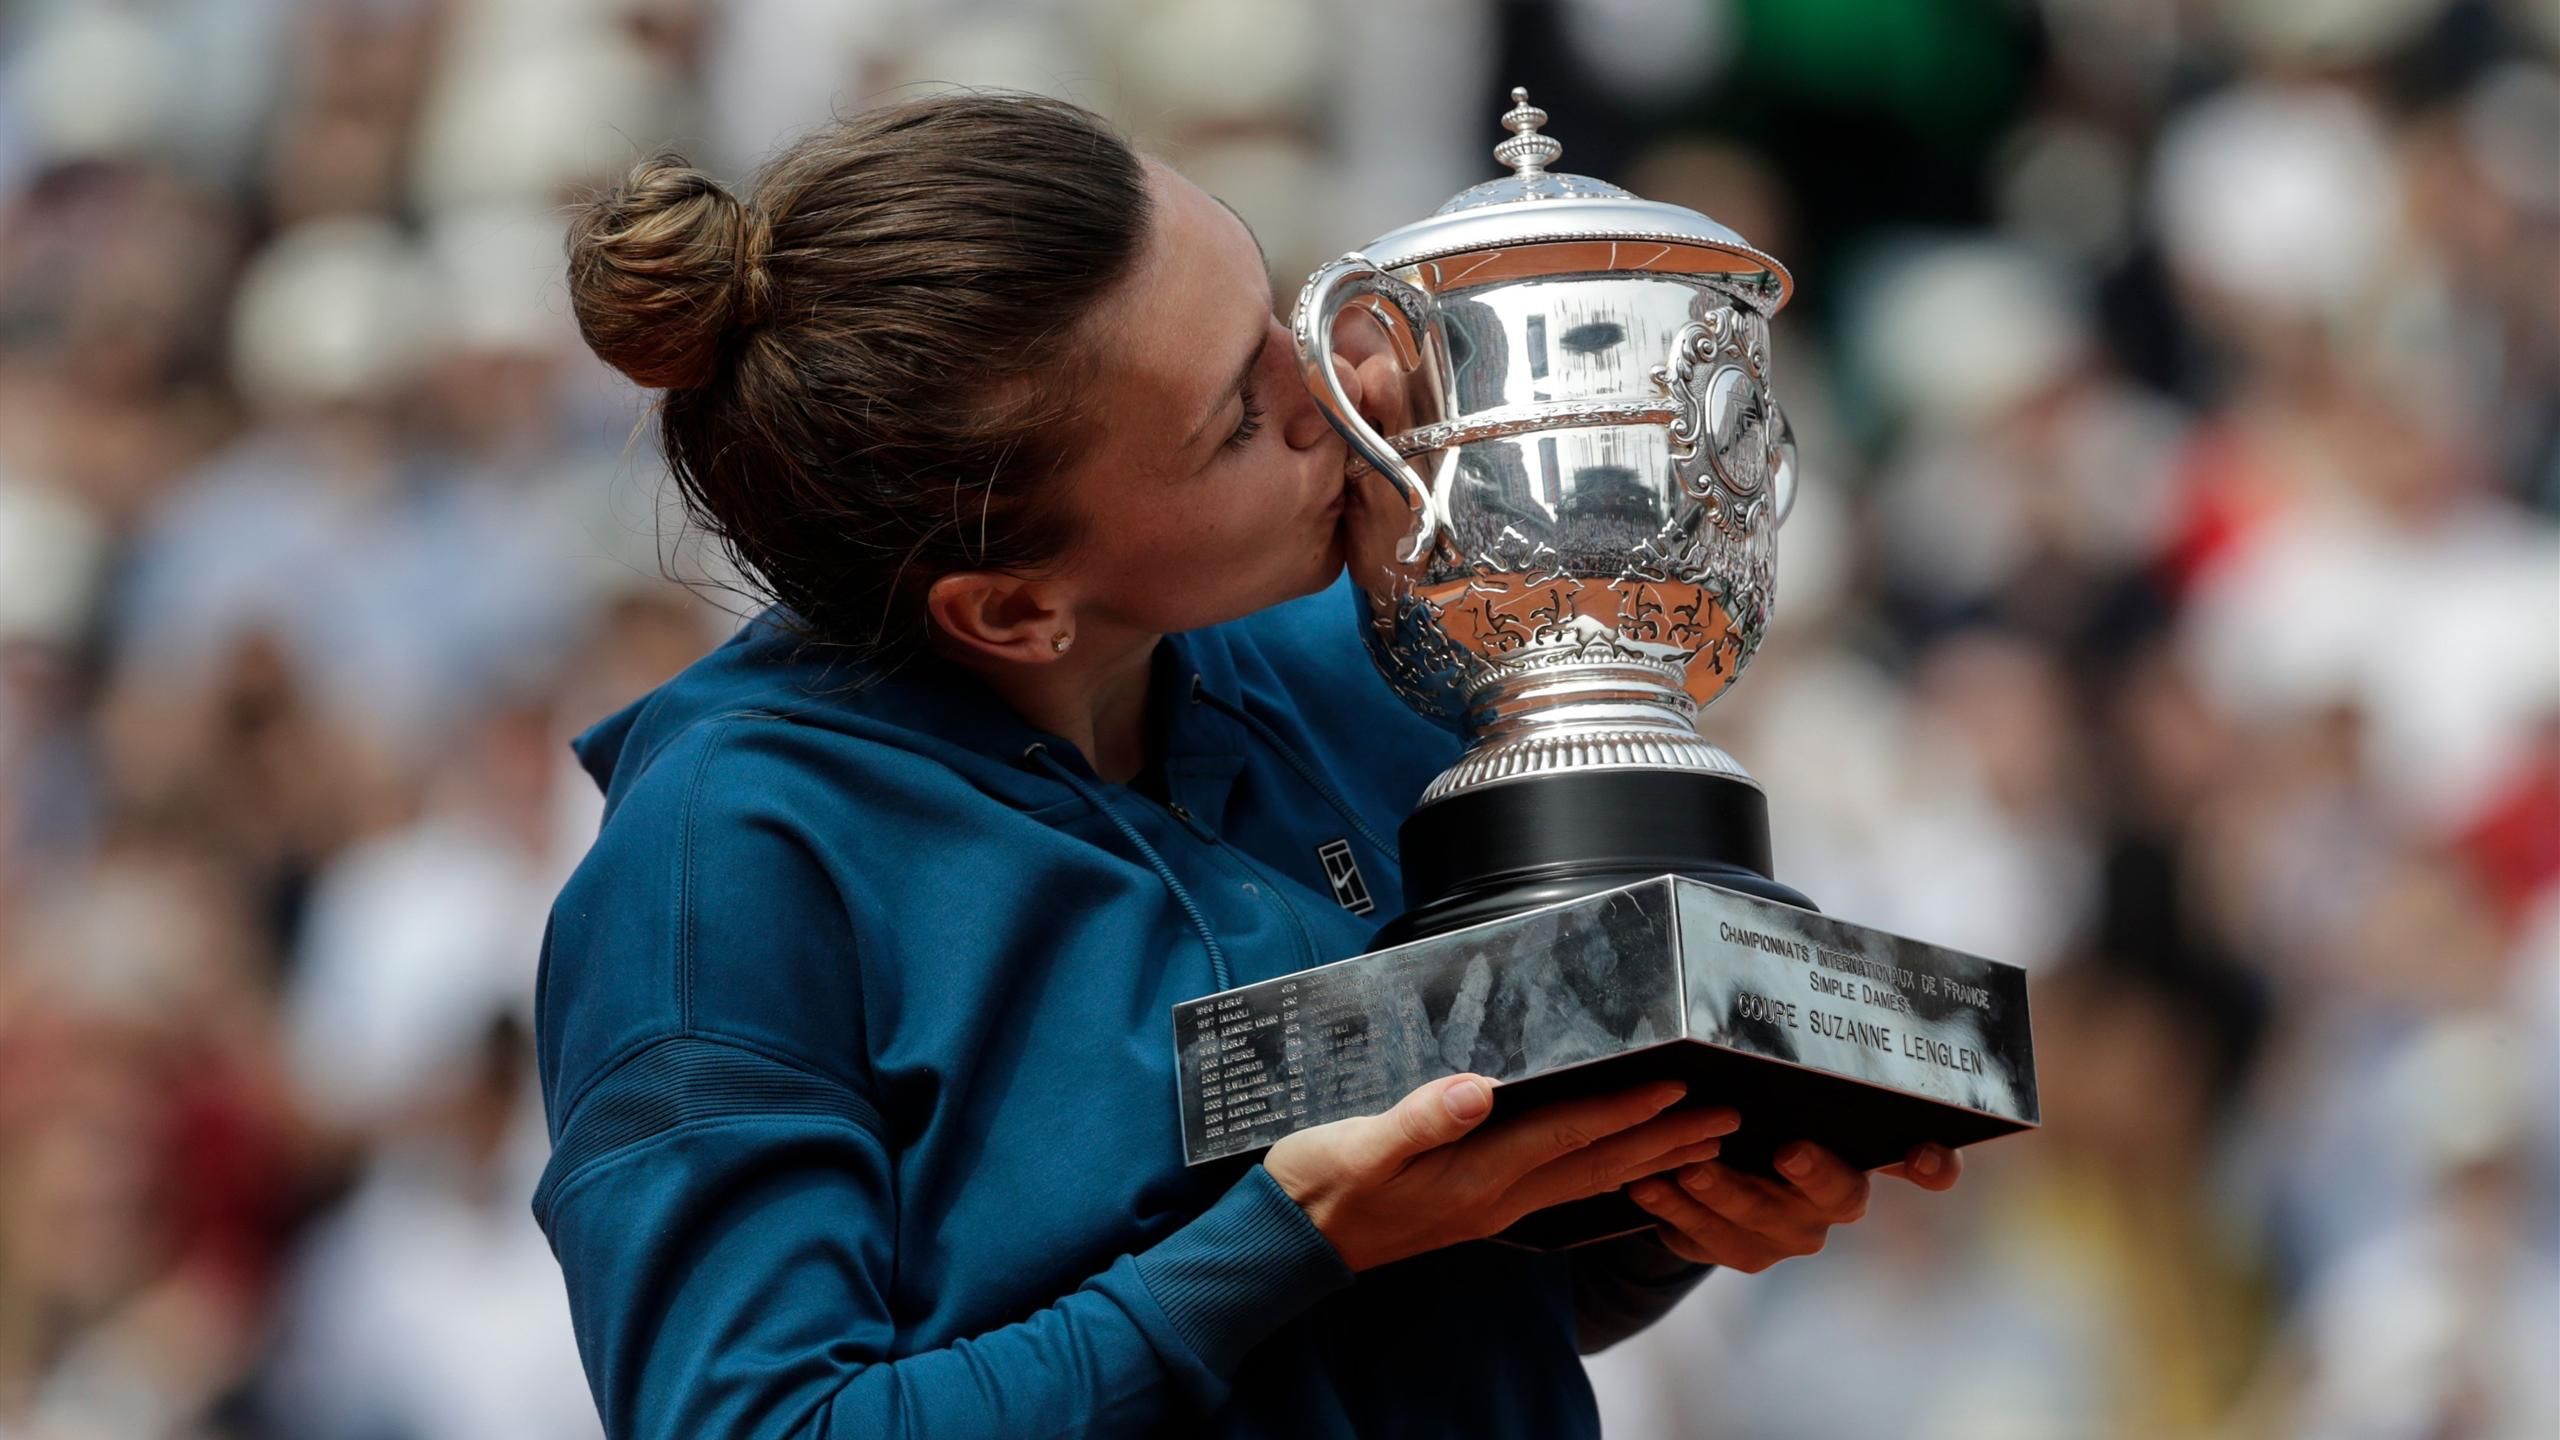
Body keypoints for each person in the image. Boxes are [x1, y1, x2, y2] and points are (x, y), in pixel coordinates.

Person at [536, 92, 1960, 1439]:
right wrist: (1287, 1242)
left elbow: (1422, 1315)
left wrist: (1649, 1202)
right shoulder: (720, 862)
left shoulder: (1371, 660)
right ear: (1014, 604)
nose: (1336, 389)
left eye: (1281, 306)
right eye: (1236, 418)